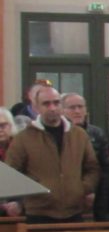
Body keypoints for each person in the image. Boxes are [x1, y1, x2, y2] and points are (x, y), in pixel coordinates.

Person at [6, 84, 100, 222]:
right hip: (39, 212)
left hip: (73, 211)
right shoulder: (24, 138)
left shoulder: (79, 135)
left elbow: (92, 167)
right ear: (36, 108)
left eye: (56, 103)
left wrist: (82, 188)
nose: (52, 108)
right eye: (46, 104)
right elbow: (12, 172)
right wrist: (30, 193)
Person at [62, 92, 106, 163]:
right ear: (62, 111)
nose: (77, 111)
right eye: (72, 108)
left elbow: (105, 161)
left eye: (80, 107)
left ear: (86, 110)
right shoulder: (59, 132)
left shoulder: (96, 133)